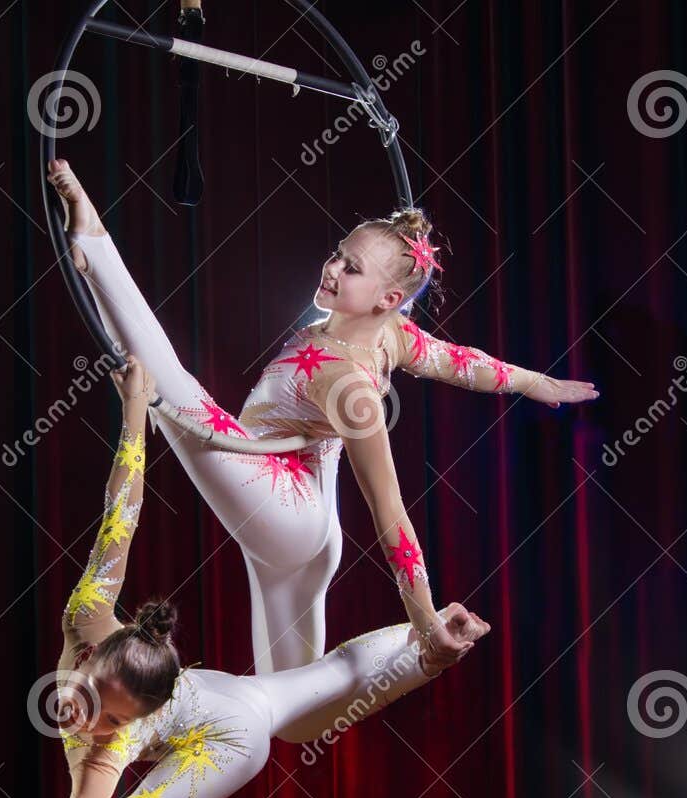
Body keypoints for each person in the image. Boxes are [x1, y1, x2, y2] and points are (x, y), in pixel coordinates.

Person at [0, 356, 488, 798]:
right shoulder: (88, 615)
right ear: (91, 657)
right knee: (326, 675)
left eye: (114, 721)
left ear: (136, 719)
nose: (87, 721)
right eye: (90, 699)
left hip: (229, 739)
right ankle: (435, 639)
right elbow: (122, 515)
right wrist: (133, 410)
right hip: (230, 692)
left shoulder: (105, 750)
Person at [46, 157, 596, 674]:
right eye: (338, 254)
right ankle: (393, 665)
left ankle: (94, 245)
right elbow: (462, 363)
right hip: (305, 534)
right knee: (292, 707)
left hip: (285, 509)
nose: (332, 269)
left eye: (351, 269)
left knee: (176, 393)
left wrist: (425, 619)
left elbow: (390, 514)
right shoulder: (393, 334)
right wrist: (535, 382)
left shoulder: (350, 387)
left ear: (388, 298)